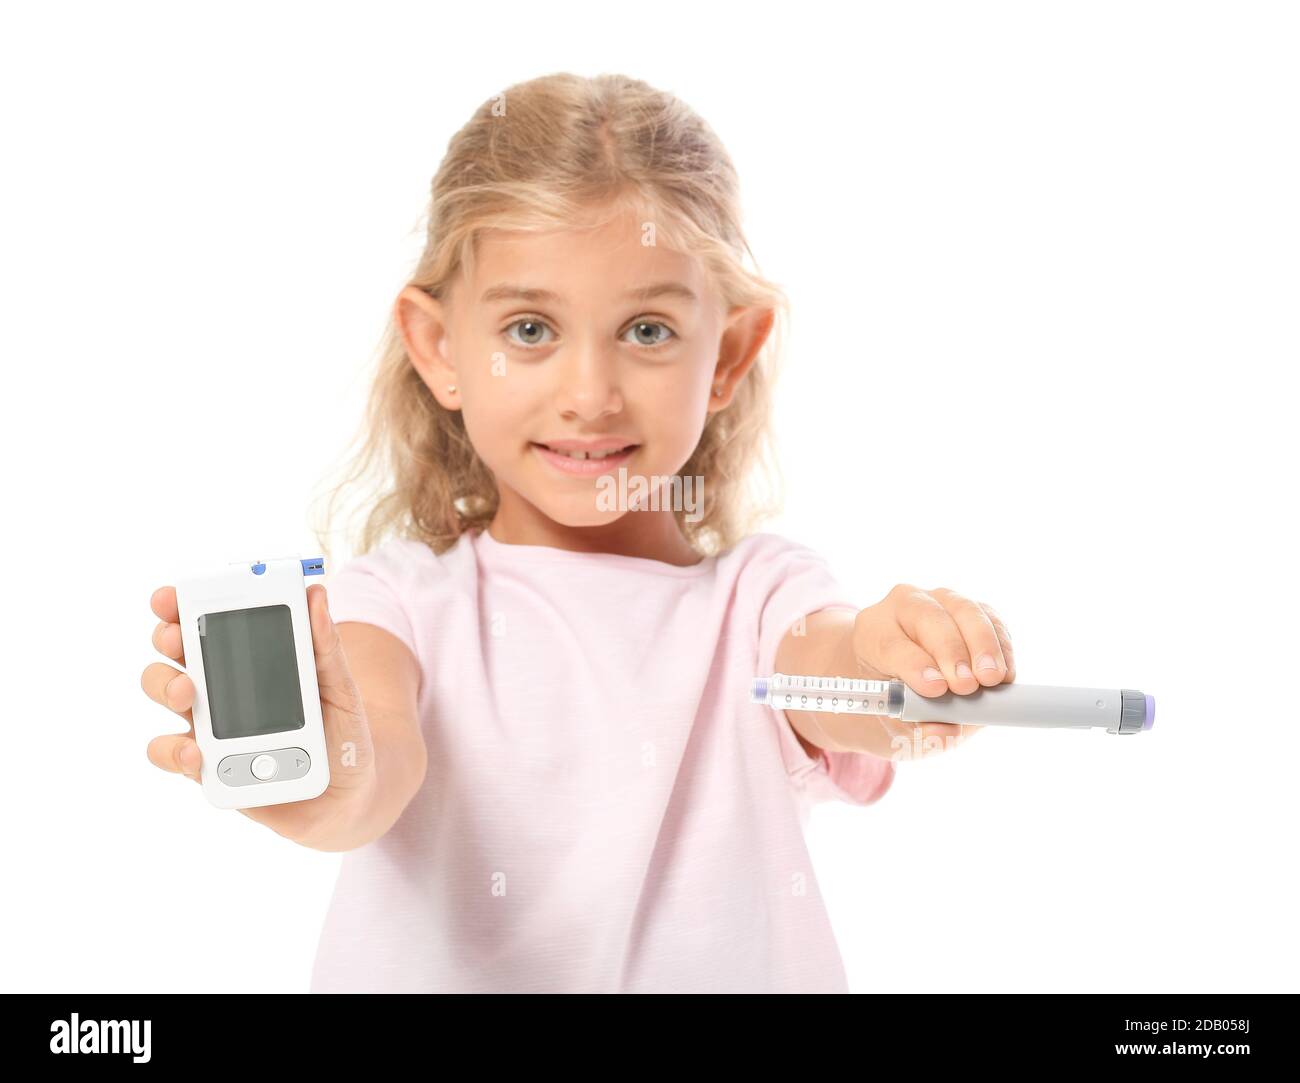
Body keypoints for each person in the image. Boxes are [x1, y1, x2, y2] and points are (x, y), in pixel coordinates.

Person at [141, 72, 1015, 993]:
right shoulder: (394, 602)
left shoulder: (760, 603)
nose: (589, 393)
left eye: (646, 329)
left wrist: (898, 657)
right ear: (439, 349)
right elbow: (372, 763)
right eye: (529, 328)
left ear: (729, 352)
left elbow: (835, 670)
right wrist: (325, 774)